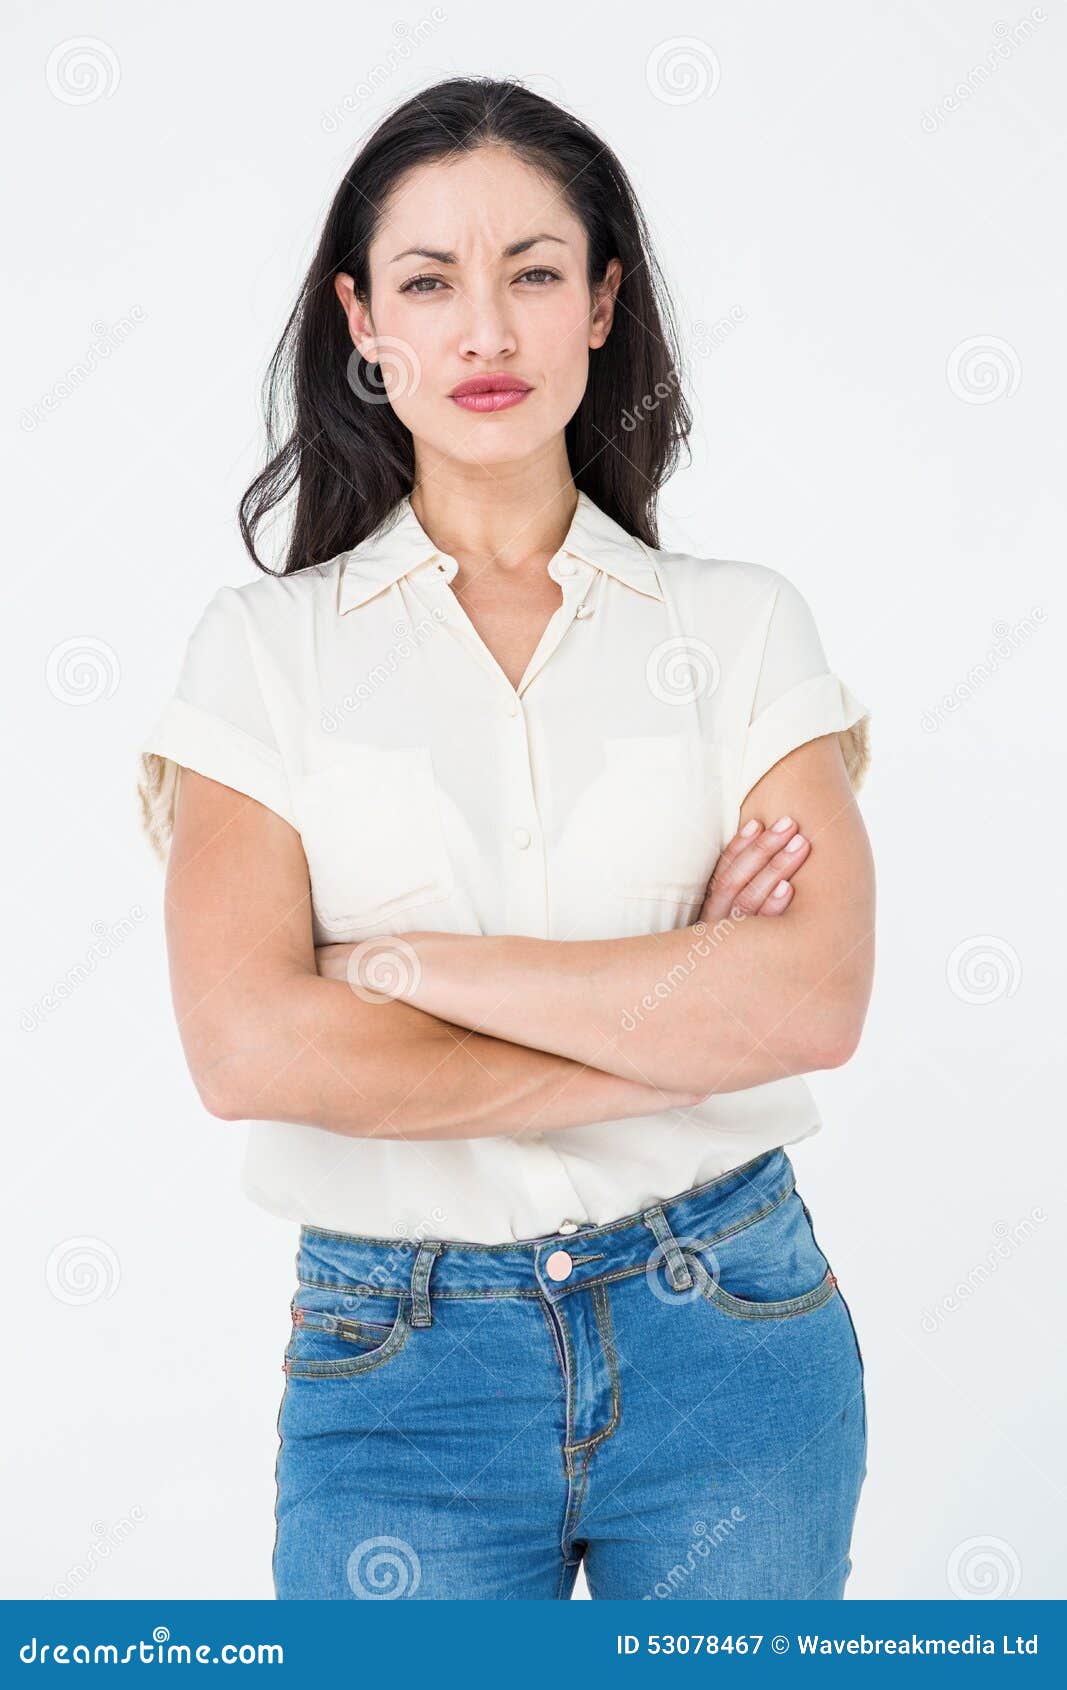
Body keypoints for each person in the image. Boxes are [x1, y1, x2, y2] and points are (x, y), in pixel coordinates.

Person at [137, 76, 874, 1601]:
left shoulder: (740, 630)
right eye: (429, 280)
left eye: (536, 272)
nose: (486, 330)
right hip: (401, 1376)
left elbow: (807, 1002)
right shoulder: (263, 653)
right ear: (362, 321)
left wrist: (405, 968)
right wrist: (677, 1016)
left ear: (604, 303)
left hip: (729, 1330)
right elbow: (251, 1050)